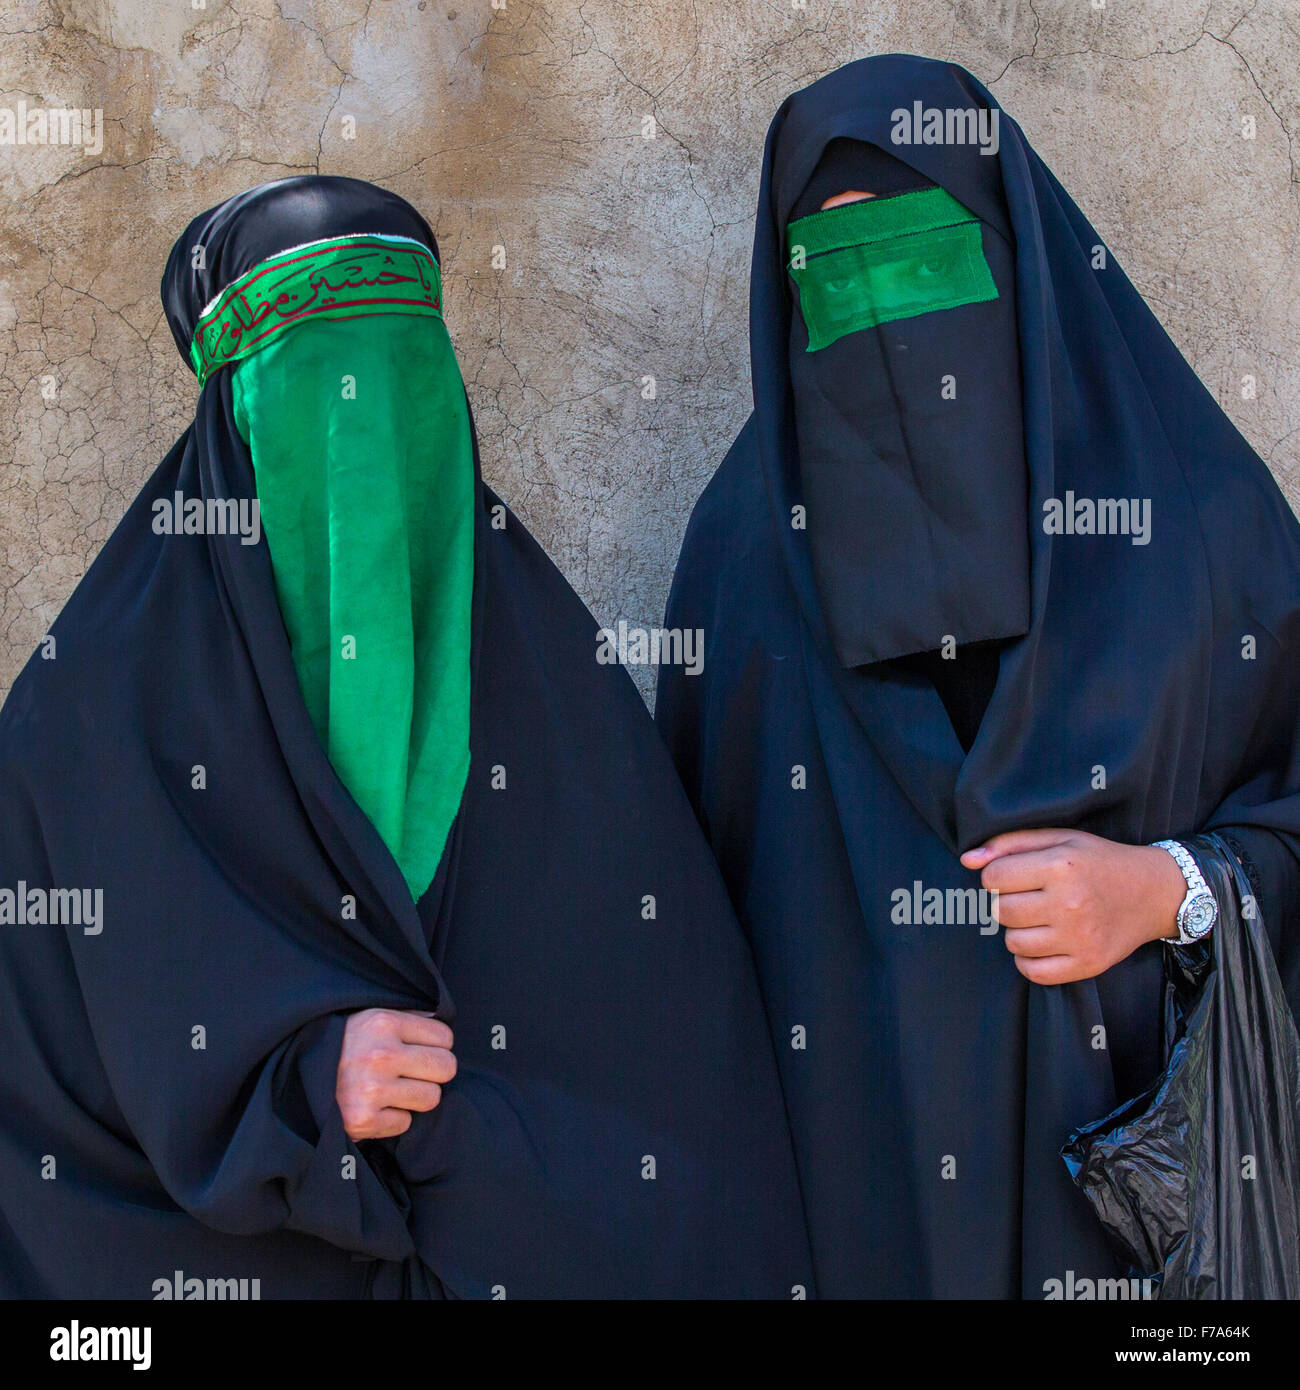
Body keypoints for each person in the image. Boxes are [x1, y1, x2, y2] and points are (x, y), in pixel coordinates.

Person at [0, 175, 811, 1299]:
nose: (364, 443)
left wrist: (480, 1156)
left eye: (399, 377)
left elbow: (681, 1110)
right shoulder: (84, 722)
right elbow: (46, 1106)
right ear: (232, 419)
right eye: (316, 386)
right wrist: (285, 1098)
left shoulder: (565, 717)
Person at [656, 54, 1300, 1298]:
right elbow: (689, 948)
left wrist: (1168, 890)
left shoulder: (1200, 530)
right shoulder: (742, 562)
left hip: (1155, 1218)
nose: (887, 318)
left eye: (921, 253)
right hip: (860, 1210)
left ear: (1015, 252)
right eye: (830, 273)